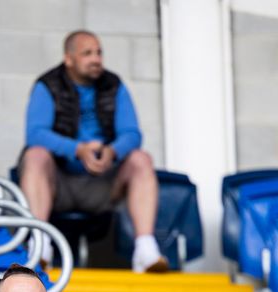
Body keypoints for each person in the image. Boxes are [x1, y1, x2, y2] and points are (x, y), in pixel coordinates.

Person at [19, 30, 168, 273]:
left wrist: (113, 151)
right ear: (69, 59)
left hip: (104, 183)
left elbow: (132, 134)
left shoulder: (114, 85)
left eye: (99, 52)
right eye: (87, 53)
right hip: (60, 184)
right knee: (35, 155)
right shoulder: (47, 85)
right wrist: (77, 150)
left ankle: (145, 250)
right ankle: (41, 243)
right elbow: (35, 133)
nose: (96, 59)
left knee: (141, 159)